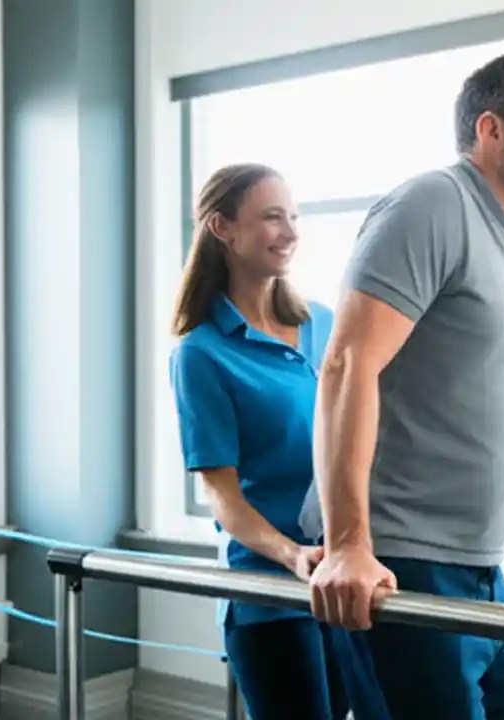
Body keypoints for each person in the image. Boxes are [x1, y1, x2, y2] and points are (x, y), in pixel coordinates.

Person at [305, 53, 504, 719]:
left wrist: (487, 510)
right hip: (402, 559)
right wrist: (348, 543)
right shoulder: (432, 204)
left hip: (480, 562)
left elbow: (464, 385)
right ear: (492, 130)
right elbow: (348, 364)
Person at [169, 163, 350, 719]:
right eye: (272, 217)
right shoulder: (200, 353)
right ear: (222, 227)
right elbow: (224, 497)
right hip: (271, 594)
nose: (290, 231)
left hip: (344, 578)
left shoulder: (325, 322)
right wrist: (295, 557)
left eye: (292, 217)